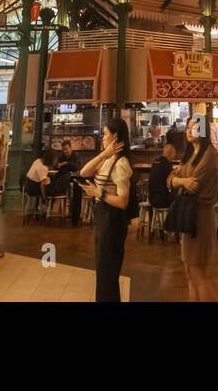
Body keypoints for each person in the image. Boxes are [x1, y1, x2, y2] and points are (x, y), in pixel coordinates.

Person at [78, 118, 134, 301]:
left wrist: (98, 193)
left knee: (107, 274)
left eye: (105, 134)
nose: (102, 137)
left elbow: (123, 202)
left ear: (115, 136)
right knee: (103, 272)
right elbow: (84, 172)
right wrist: (104, 154)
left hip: (113, 221)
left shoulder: (121, 163)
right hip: (103, 218)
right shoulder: (107, 160)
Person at [168, 115, 218, 301]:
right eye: (188, 127)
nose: (188, 130)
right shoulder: (189, 155)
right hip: (188, 217)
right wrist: (180, 180)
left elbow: (194, 185)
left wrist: (178, 180)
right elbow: (171, 180)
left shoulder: (209, 155)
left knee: (198, 274)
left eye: (193, 127)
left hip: (201, 217)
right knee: (190, 272)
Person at [149, 130, 183, 210]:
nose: (174, 157)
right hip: (162, 200)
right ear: (171, 154)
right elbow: (171, 183)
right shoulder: (167, 165)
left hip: (152, 199)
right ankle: (175, 222)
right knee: (182, 199)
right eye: (174, 154)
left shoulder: (155, 161)